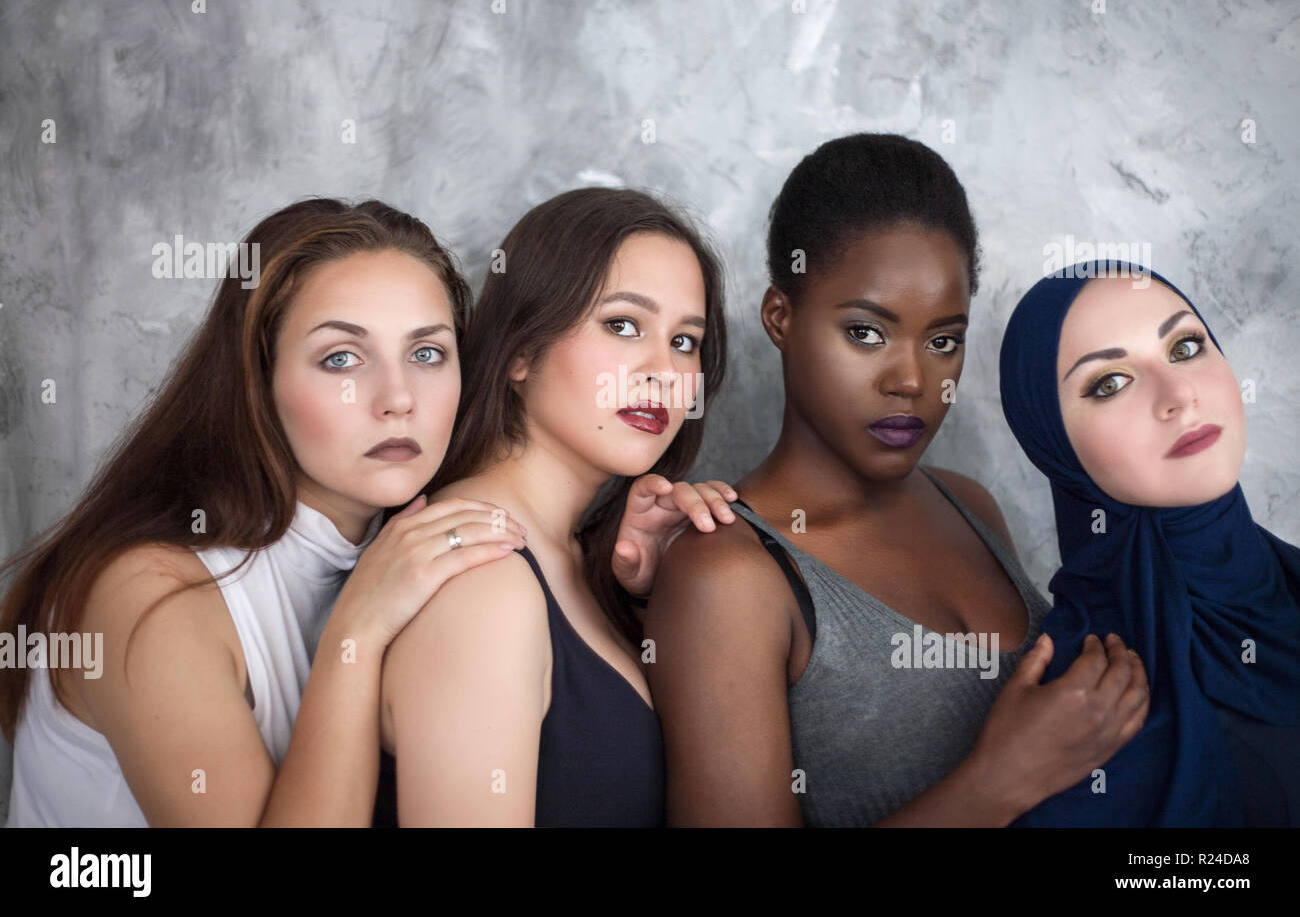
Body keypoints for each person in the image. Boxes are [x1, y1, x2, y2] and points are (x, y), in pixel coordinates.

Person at [2, 197, 726, 827]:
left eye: (428, 354)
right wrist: (357, 631)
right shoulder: (152, 595)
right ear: (259, 381)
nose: (397, 397)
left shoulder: (421, 547)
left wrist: (630, 588)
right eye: (341, 359)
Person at [643, 133, 1150, 826]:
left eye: (943, 340)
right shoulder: (725, 573)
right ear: (780, 318)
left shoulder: (968, 503)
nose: (912, 379)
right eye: (866, 333)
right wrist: (998, 782)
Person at [375, 187, 730, 826]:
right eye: (622, 325)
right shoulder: (481, 582)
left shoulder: (581, 558)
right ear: (520, 350)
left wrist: (657, 602)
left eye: (685, 342)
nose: (662, 370)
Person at [999, 260, 1300, 826]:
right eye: (1110, 383)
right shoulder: (1084, 704)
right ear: (1054, 442)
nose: (1179, 394)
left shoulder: (1287, 581)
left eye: (1185, 347)